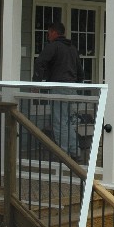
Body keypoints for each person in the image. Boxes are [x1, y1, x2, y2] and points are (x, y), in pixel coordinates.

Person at [33, 22, 84, 162]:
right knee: (68, 122)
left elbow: (40, 62)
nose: (48, 36)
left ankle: (63, 154)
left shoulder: (53, 46)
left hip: (60, 87)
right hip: (72, 88)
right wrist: (77, 86)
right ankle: (75, 151)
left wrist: (36, 82)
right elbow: (80, 71)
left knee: (59, 122)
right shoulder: (72, 48)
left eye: (49, 33)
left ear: (55, 33)